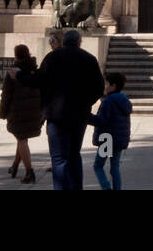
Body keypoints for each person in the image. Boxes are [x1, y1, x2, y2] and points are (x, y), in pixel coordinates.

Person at [38, 29, 105, 190]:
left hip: (56, 116)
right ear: (79, 42)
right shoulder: (89, 59)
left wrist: (46, 105)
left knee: (58, 159)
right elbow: (99, 87)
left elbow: (40, 83)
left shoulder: (52, 58)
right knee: (74, 155)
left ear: (64, 41)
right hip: (79, 116)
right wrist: (86, 103)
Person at [0, 44, 44, 184]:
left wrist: (2, 111)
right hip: (34, 111)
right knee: (22, 139)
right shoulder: (34, 70)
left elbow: (6, 95)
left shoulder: (13, 72)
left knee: (22, 140)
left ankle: (29, 172)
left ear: (16, 55)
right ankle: (14, 166)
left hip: (18, 112)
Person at [89, 71, 132, 191]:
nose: (105, 86)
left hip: (107, 140)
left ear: (113, 86)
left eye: (106, 84)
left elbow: (101, 120)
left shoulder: (108, 101)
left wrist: (87, 117)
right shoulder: (123, 100)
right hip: (118, 140)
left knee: (98, 166)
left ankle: (106, 187)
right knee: (115, 167)